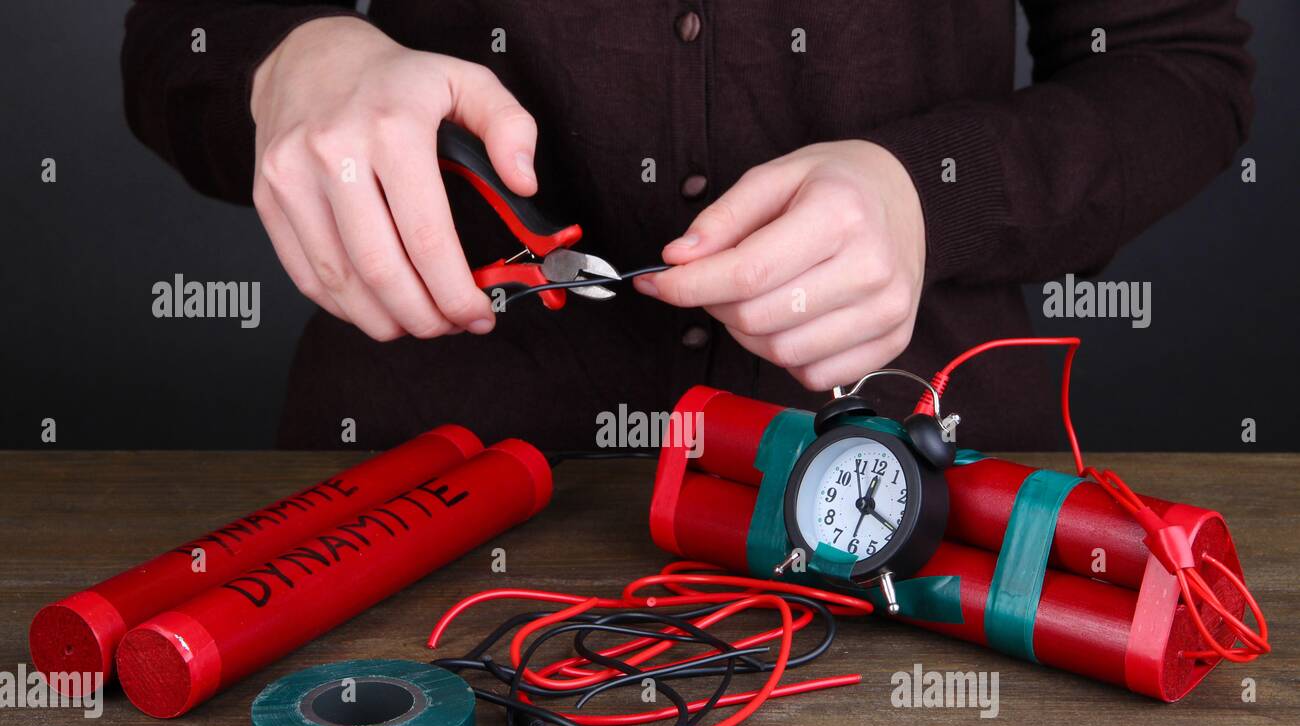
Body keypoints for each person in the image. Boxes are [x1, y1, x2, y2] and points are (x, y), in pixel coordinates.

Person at [122, 1, 1252, 451]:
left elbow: (1177, 69)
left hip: (919, 519)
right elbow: (180, 33)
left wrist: (929, 195)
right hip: (408, 514)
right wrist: (291, 59)